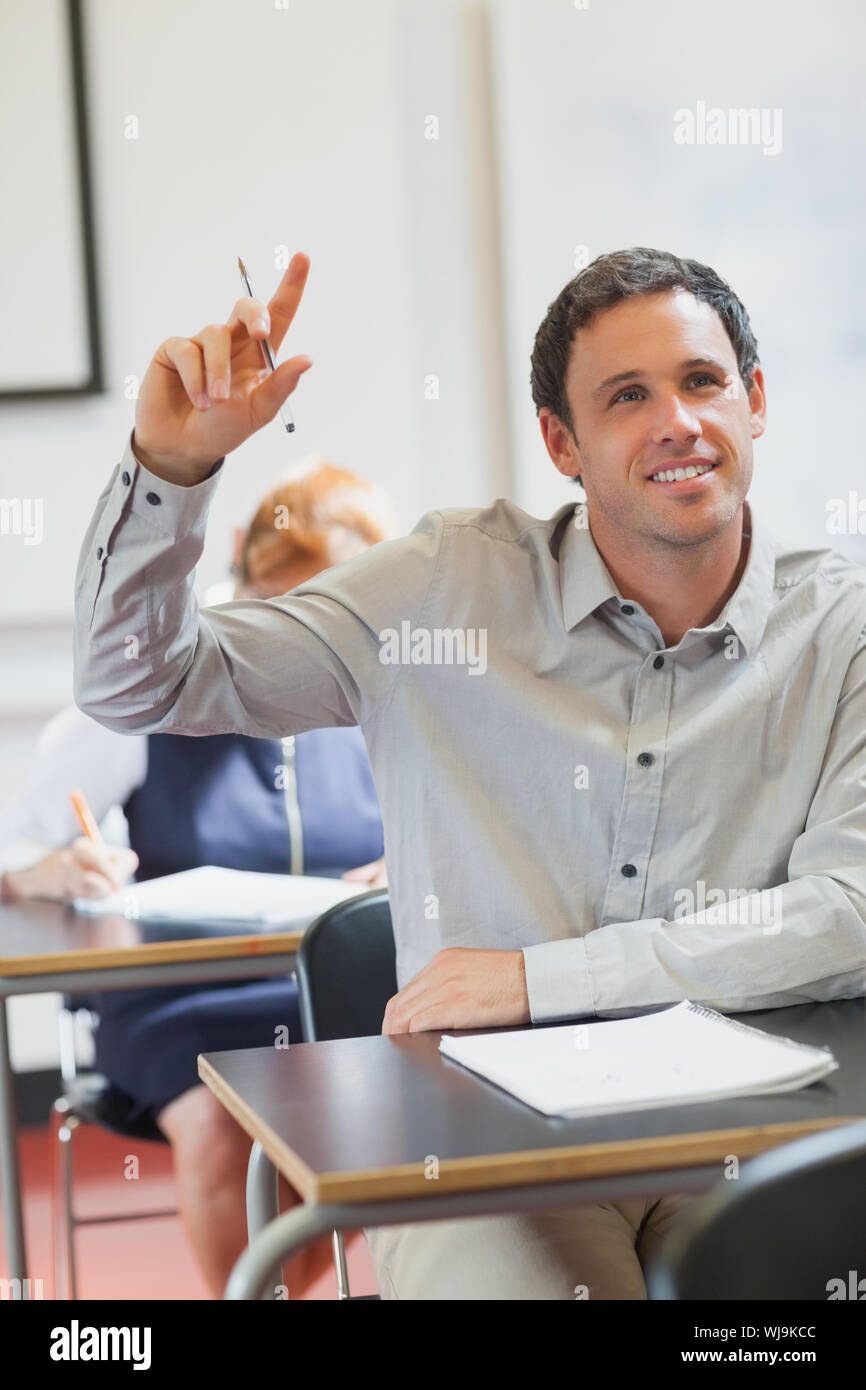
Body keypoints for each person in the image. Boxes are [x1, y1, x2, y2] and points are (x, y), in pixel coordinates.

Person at [72, 248, 866, 1299]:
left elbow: (847, 912)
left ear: (752, 400)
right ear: (560, 442)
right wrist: (171, 475)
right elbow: (143, 686)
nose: (675, 419)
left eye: (700, 380)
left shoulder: (841, 629)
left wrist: (539, 980)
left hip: (767, 1132)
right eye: (626, 396)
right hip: (488, 1152)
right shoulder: (441, 590)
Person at [2, 458, 397, 1296]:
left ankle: (271, 1292)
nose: (310, 637)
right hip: (178, 997)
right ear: (243, 568)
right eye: (290, 607)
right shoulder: (158, 677)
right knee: (226, 1125)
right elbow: (17, 850)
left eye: (338, 612)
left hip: (335, 988)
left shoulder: (388, 682)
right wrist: (50, 871)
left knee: (393, 1114)